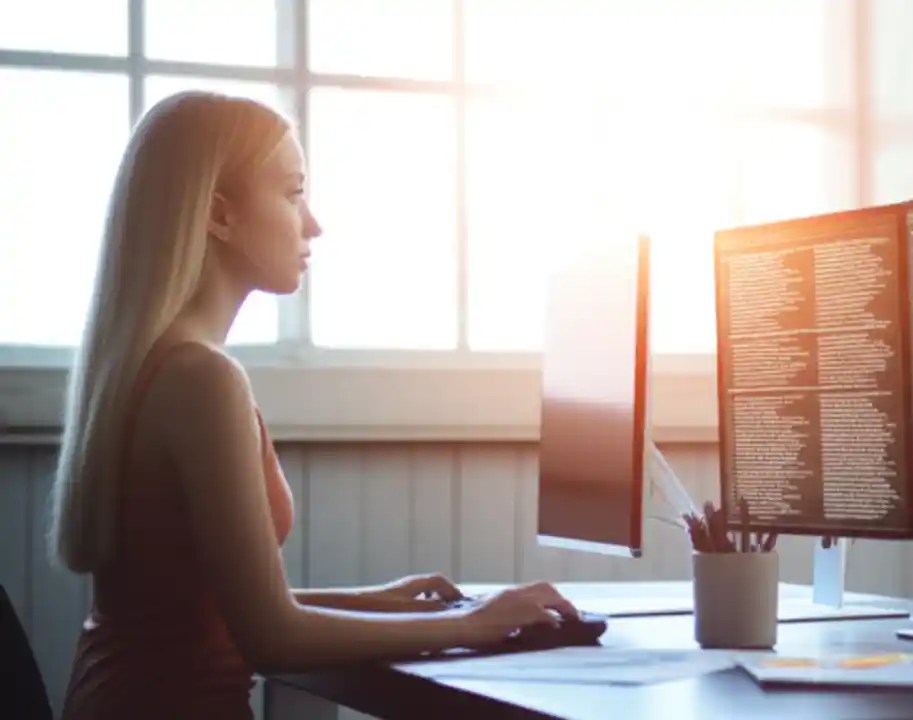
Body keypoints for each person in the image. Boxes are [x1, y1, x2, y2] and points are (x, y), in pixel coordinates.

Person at [51, 91, 578, 719]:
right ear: (218, 214)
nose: (313, 224)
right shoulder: (201, 380)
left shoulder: (154, 366)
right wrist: (477, 625)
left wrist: (377, 601)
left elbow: (211, 608)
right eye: (293, 193)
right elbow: (272, 639)